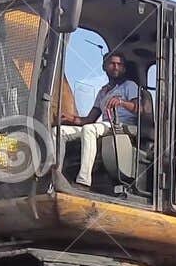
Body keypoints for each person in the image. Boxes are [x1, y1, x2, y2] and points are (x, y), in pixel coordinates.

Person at [57, 51, 141, 188]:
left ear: (124, 69)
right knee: (58, 131)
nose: (115, 67)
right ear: (104, 67)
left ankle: (83, 180)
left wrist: (121, 102)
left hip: (123, 126)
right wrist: (70, 118)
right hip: (106, 125)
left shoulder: (129, 86)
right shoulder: (103, 92)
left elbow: (140, 108)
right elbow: (89, 119)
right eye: (112, 64)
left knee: (89, 130)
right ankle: (56, 174)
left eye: (119, 64)